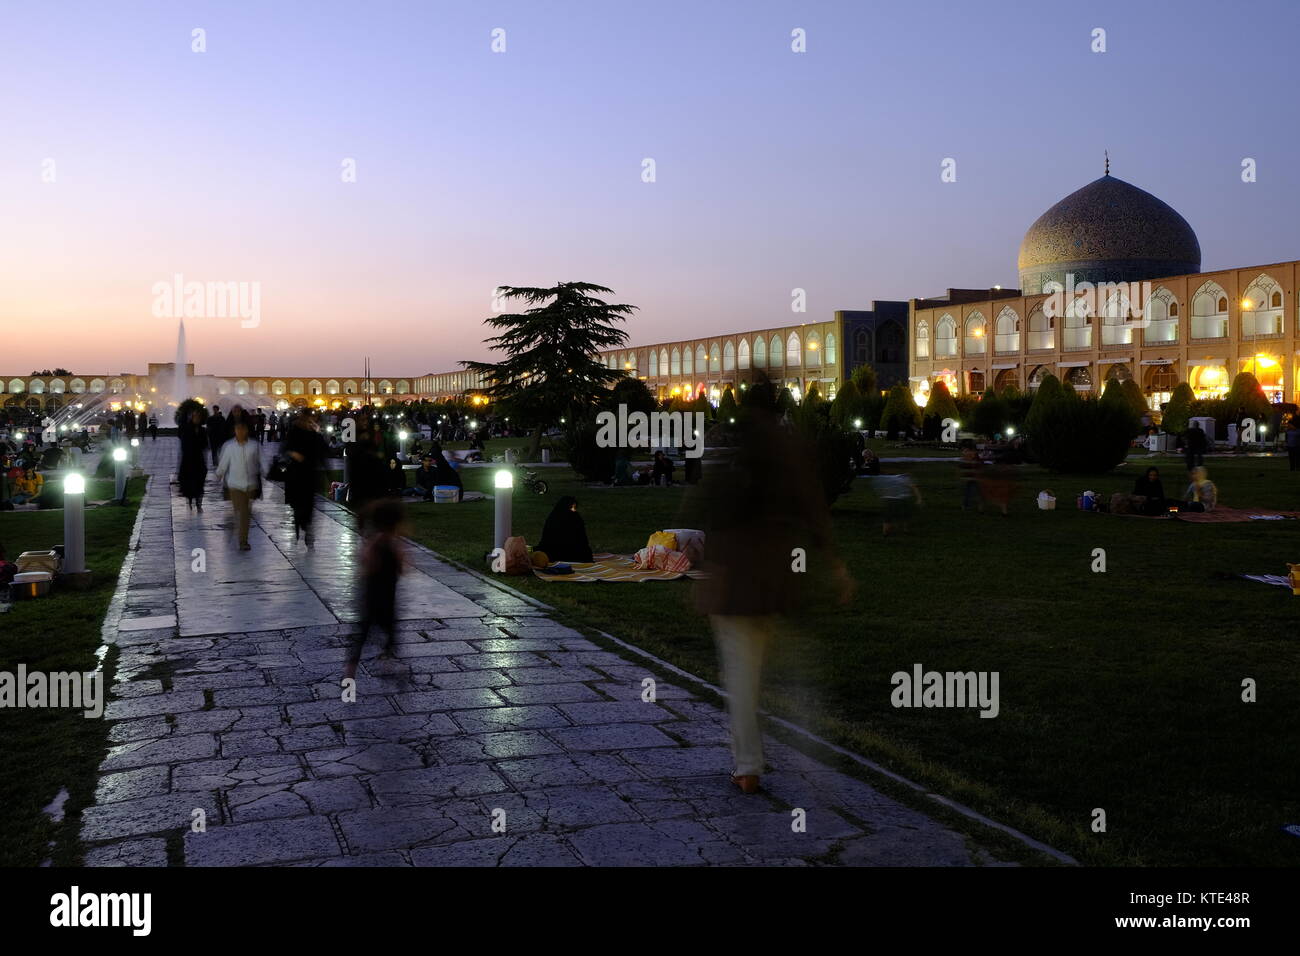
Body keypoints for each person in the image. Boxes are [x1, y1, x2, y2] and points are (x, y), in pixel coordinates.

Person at [685, 377, 853, 796]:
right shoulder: (790, 450)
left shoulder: (731, 445)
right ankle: (808, 746)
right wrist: (834, 565)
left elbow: (708, 503)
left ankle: (748, 766)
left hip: (734, 580)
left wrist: (703, 563)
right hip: (777, 578)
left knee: (742, 674)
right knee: (780, 663)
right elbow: (814, 509)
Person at [343, 499, 407, 681]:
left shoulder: (373, 543)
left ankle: (350, 670)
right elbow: (403, 569)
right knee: (390, 633)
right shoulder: (394, 545)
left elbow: (364, 566)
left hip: (371, 597)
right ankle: (387, 661)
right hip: (386, 598)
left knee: (362, 634)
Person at [283, 411, 328, 548]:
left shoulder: (315, 436)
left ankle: (307, 528)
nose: (310, 424)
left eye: (312, 421)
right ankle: (301, 524)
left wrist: (319, 433)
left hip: (310, 476)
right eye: (308, 421)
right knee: (297, 505)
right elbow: (284, 448)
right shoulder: (294, 432)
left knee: (308, 506)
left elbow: (324, 452)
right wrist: (293, 453)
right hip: (295, 476)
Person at [215, 420, 261, 550]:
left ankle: (243, 540)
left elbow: (261, 461)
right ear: (234, 431)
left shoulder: (253, 446)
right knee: (241, 511)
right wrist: (219, 473)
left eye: (242, 429)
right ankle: (241, 534)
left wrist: (266, 471)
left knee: (245, 512)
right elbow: (223, 463)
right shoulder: (230, 447)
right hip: (234, 485)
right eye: (237, 429)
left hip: (250, 485)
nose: (240, 432)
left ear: (246, 431)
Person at [536, 495, 594, 562]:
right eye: (572, 508)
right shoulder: (554, 519)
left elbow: (582, 539)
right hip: (558, 553)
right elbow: (548, 540)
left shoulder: (575, 518)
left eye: (574, 508)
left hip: (570, 553)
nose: (573, 511)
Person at [178, 408, 208, 511]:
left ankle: (199, 503)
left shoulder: (202, 430)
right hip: (189, 460)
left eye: (198, 417)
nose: (197, 419)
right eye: (195, 417)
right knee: (190, 482)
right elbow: (184, 445)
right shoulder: (187, 429)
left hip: (199, 459)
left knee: (200, 482)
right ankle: (190, 500)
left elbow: (205, 444)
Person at [957, 443, 982, 511]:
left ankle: (965, 505)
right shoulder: (975, 454)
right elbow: (978, 464)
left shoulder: (964, 454)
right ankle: (977, 506)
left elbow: (961, 465)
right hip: (974, 475)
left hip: (966, 475)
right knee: (976, 491)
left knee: (967, 491)